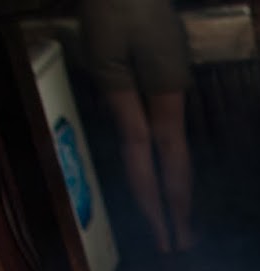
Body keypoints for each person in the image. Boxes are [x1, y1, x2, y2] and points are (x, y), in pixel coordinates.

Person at [81, 0, 196, 255]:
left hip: (99, 18)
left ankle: (160, 238)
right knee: (170, 137)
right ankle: (182, 233)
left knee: (134, 139)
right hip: (151, 14)